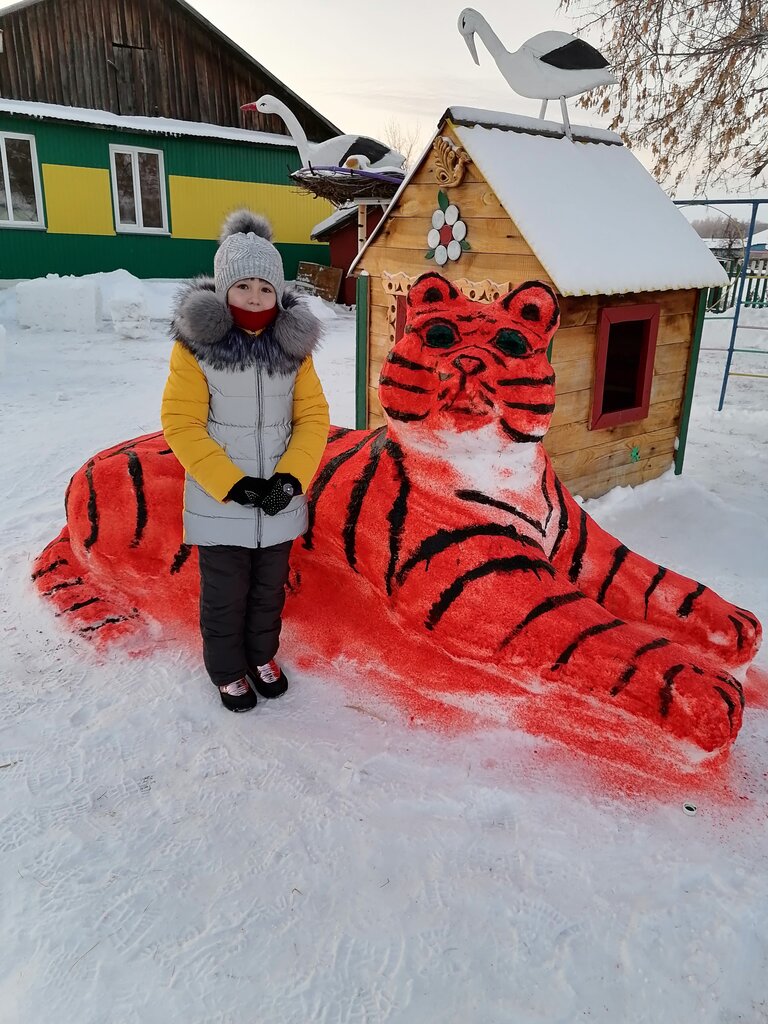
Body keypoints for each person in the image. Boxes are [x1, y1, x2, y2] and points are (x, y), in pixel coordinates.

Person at [161, 210, 330, 712]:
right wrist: (232, 485)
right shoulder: (197, 349)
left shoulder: (294, 351)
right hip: (222, 504)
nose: (255, 296)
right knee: (225, 595)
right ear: (223, 291)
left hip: (278, 502)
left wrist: (292, 478)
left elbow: (314, 418)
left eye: (265, 287)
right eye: (243, 286)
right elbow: (181, 423)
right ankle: (228, 670)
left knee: (268, 591)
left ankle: (261, 657)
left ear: (278, 293)